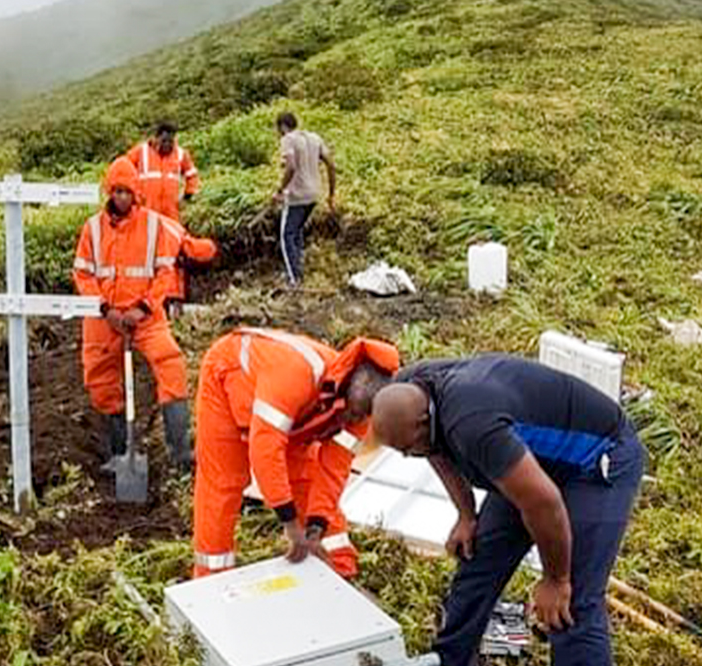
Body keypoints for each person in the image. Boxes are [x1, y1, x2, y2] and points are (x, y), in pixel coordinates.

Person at [371, 355, 645, 666]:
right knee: (479, 560)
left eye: (409, 448)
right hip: (526, 459)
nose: (409, 456)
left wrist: (556, 579)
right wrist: (466, 513)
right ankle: (450, 660)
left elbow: (544, 502)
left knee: (570, 606)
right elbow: (433, 449)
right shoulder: (409, 391)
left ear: (423, 420)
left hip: (596, 459)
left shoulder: (473, 425)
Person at [192, 327, 399, 578]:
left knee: (305, 480)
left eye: (358, 416)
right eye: (350, 412)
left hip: (295, 414)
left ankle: (339, 568)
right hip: (226, 378)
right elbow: (265, 450)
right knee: (224, 483)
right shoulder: (295, 375)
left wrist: (316, 526)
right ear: (345, 389)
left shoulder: (362, 409)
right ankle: (210, 580)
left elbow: (334, 470)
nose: (350, 420)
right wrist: (289, 523)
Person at [73, 156, 192, 472]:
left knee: (171, 367)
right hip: (104, 319)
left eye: (126, 192)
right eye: (116, 191)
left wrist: (142, 308)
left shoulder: (154, 226)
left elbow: (165, 273)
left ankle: (180, 455)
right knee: (101, 380)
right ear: (109, 192)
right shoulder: (92, 228)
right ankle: (119, 454)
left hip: (145, 317)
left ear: (135, 193)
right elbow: (83, 274)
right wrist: (104, 308)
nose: (121, 197)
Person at [127, 121, 216, 317]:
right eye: (165, 141)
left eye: (171, 141)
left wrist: (189, 194)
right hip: (145, 216)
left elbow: (192, 175)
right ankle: (145, 298)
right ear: (156, 138)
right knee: (145, 257)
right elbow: (123, 171)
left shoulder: (181, 154)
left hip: (171, 217)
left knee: (174, 258)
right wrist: (131, 199)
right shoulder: (140, 152)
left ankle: (173, 298)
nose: (168, 145)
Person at [273, 111, 337, 286]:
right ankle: (299, 268)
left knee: (287, 235)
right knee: (298, 230)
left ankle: (295, 280)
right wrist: (331, 194)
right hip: (314, 194)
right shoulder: (314, 137)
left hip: (297, 196)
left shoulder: (288, 139)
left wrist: (279, 190)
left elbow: (291, 167)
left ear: (282, 127)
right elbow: (331, 164)